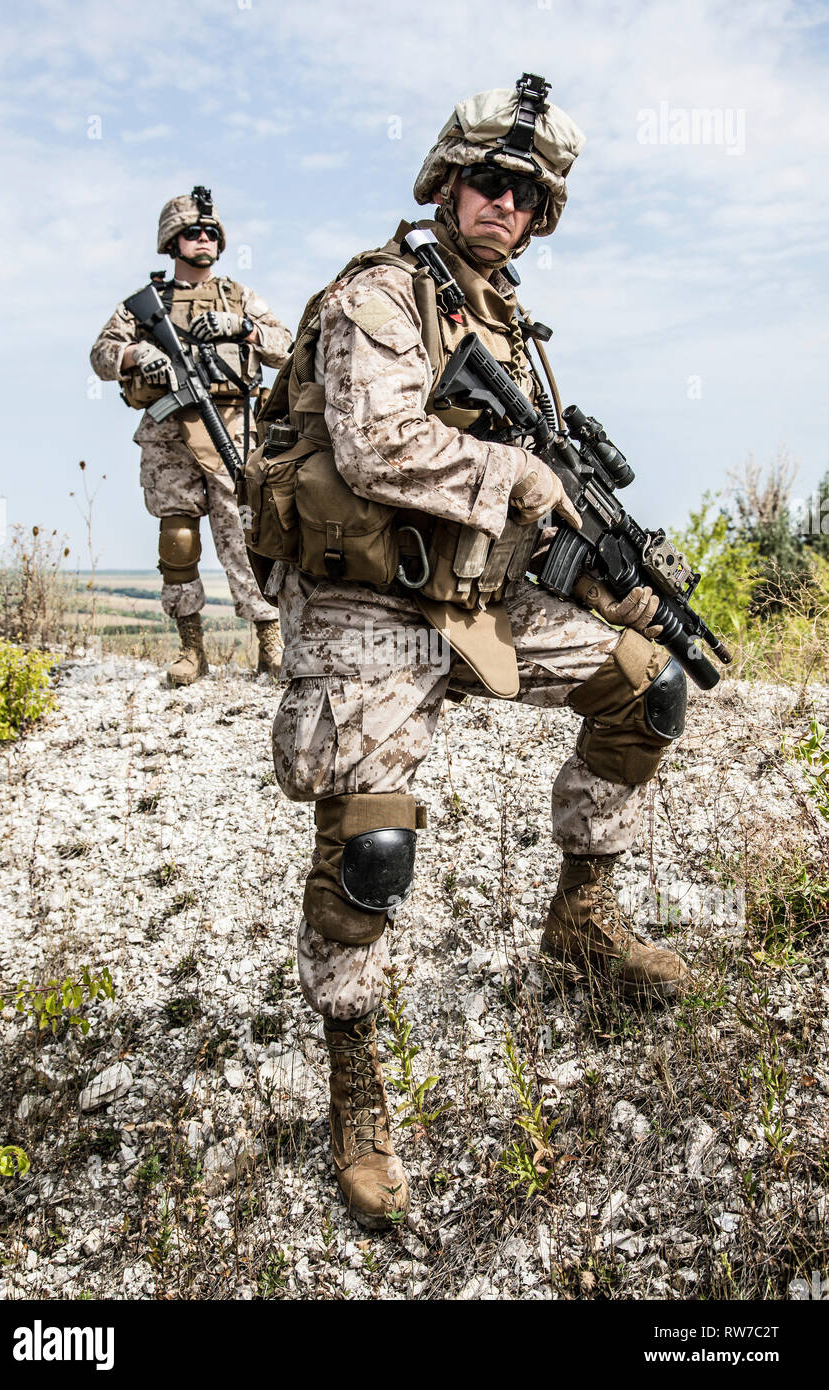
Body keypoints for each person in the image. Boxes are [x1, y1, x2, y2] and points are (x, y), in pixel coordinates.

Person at [255, 76, 693, 1228]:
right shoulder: (381, 295)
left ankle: (579, 922)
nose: (504, 204)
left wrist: (624, 588)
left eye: (528, 194)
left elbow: (544, 508)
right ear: (444, 182)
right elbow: (375, 446)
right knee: (373, 848)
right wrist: (520, 477)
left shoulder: (509, 330)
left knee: (646, 693)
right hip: (366, 610)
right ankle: (353, 1085)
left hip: (476, 602)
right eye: (487, 181)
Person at [90, 186, 293, 684]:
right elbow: (101, 356)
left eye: (209, 232)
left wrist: (242, 328)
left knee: (246, 536)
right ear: (171, 240)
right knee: (178, 538)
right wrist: (137, 355)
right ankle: (190, 650)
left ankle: (271, 644)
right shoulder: (144, 304)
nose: (202, 238)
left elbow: (288, 347)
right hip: (167, 432)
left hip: (233, 428)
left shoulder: (240, 297)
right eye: (191, 232)